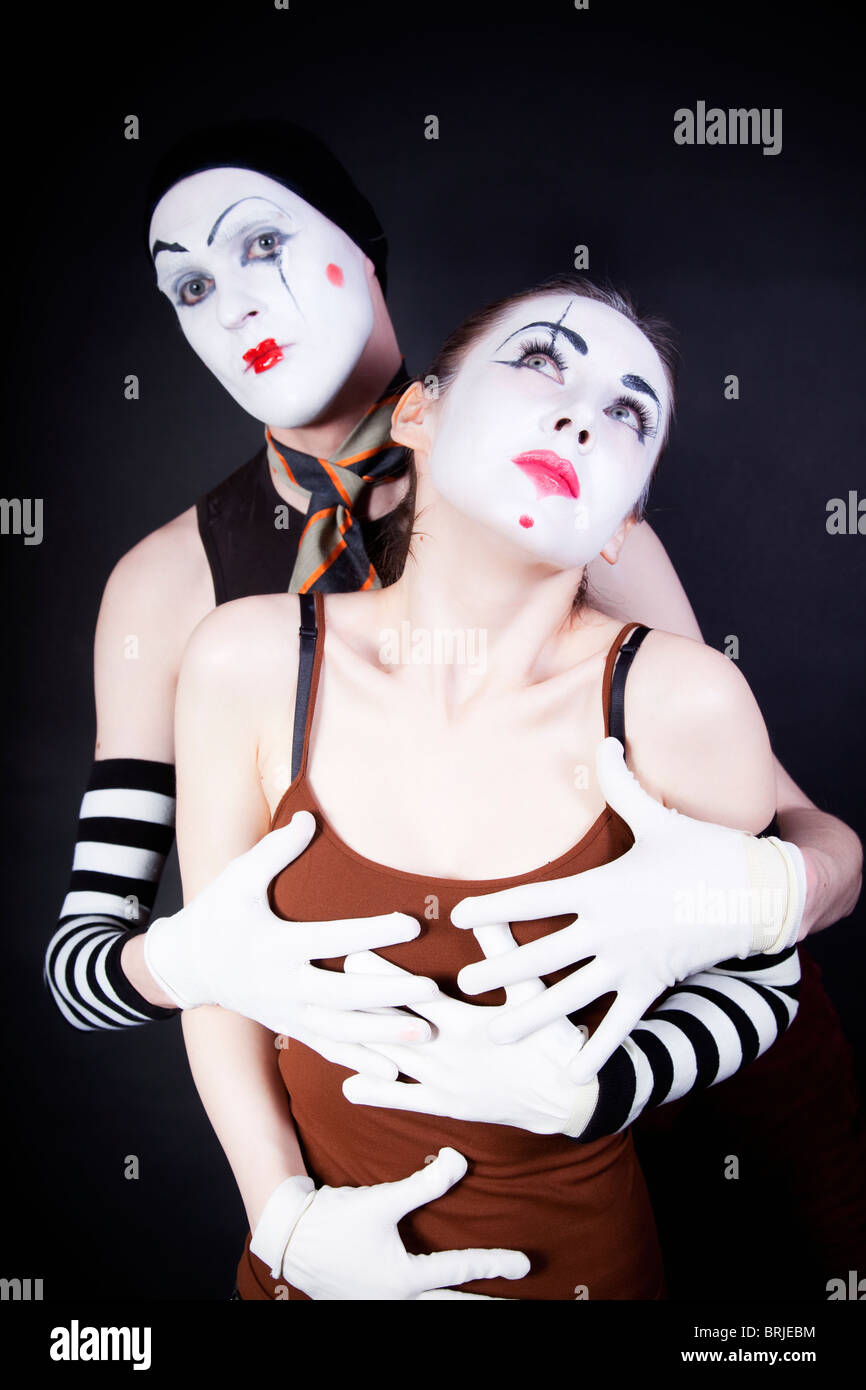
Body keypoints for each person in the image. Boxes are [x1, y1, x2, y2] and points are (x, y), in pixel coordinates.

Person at [43, 120, 863, 1292]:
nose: (230, 305)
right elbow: (85, 966)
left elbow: (794, 834)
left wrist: (767, 893)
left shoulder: (552, 476)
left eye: (263, 243)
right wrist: (270, 1192)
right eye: (188, 283)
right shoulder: (177, 594)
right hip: (394, 1156)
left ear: (362, 253)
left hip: (686, 1085)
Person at [171, 279, 802, 1299]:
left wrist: (604, 1087)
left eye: (626, 413)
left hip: (573, 1271)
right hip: (303, 1277)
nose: (578, 418)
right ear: (418, 411)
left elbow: (766, 982)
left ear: (620, 525)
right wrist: (282, 1219)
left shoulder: (683, 704)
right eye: (540, 364)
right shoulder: (247, 661)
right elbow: (213, 978)